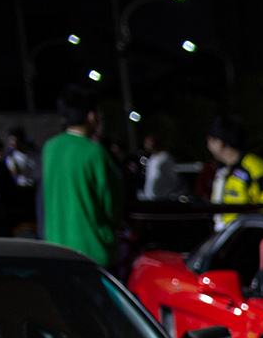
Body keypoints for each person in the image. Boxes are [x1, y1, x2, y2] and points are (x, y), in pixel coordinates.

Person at [40, 85, 125, 267]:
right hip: (92, 252)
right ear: (91, 116)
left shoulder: (50, 148)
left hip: (56, 249)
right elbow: (113, 206)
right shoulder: (95, 153)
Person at [207, 115, 263, 226]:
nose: (208, 144)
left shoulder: (254, 168)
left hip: (247, 237)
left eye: (210, 140)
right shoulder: (224, 169)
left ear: (220, 142)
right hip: (228, 235)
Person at [140, 132, 179, 200]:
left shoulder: (165, 158)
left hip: (162, 197)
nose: (146, 145)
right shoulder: (152, 158)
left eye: (149, 142)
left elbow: (173, 178)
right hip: (150, 197)